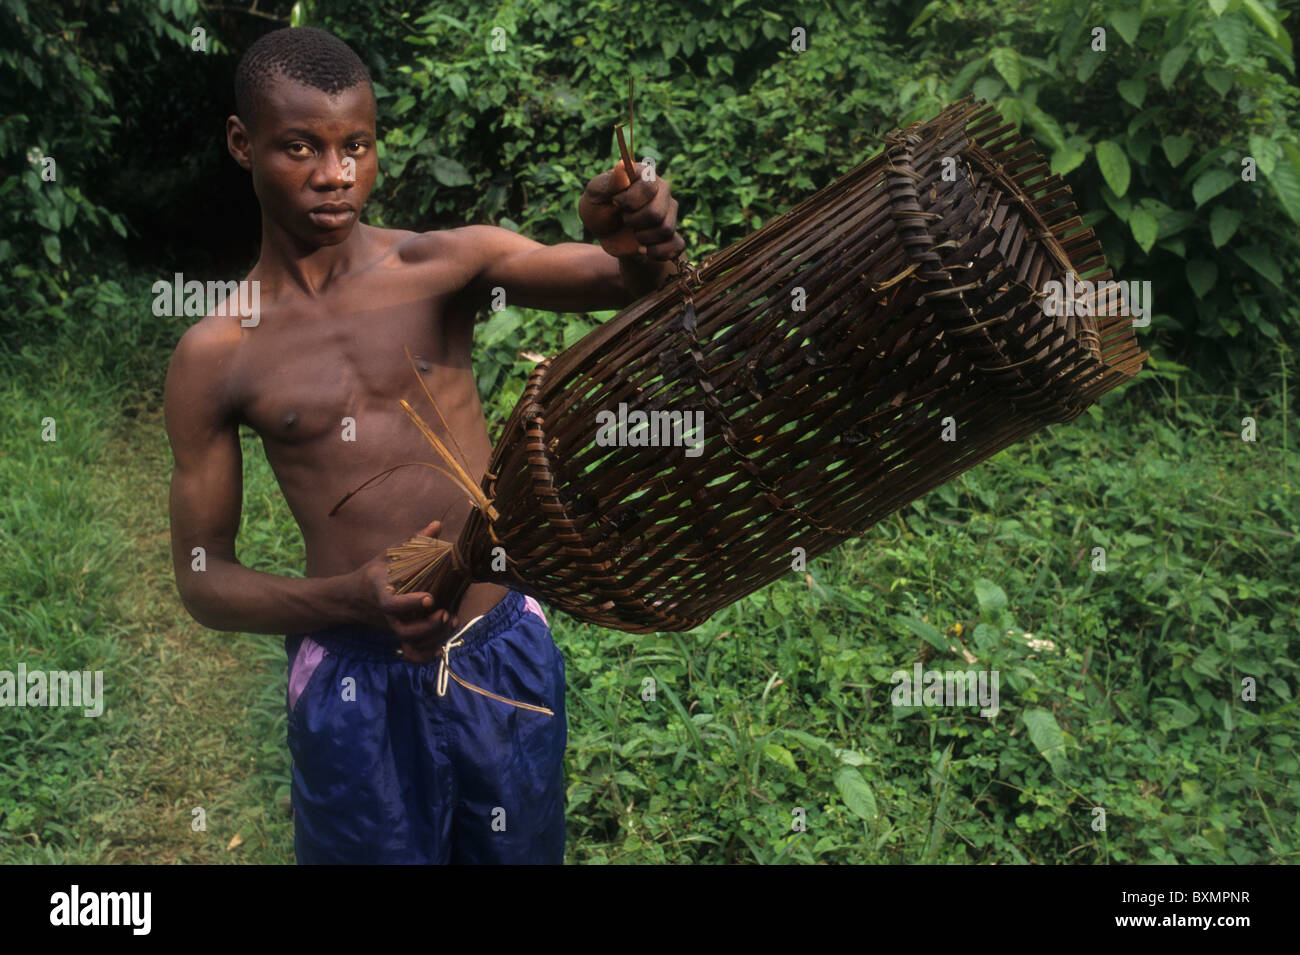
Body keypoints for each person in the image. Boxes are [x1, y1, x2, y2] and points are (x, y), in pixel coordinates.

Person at [163, 26, 684, 864]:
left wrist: (639, 242)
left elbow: (627, 287)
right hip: (351, 684)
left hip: (498, 658)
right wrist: (348, 600)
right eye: (301, 146)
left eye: (356, 146)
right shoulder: (218, 354)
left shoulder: (446, 265)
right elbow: (203, 581)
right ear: (241, 142)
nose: (336, 175)